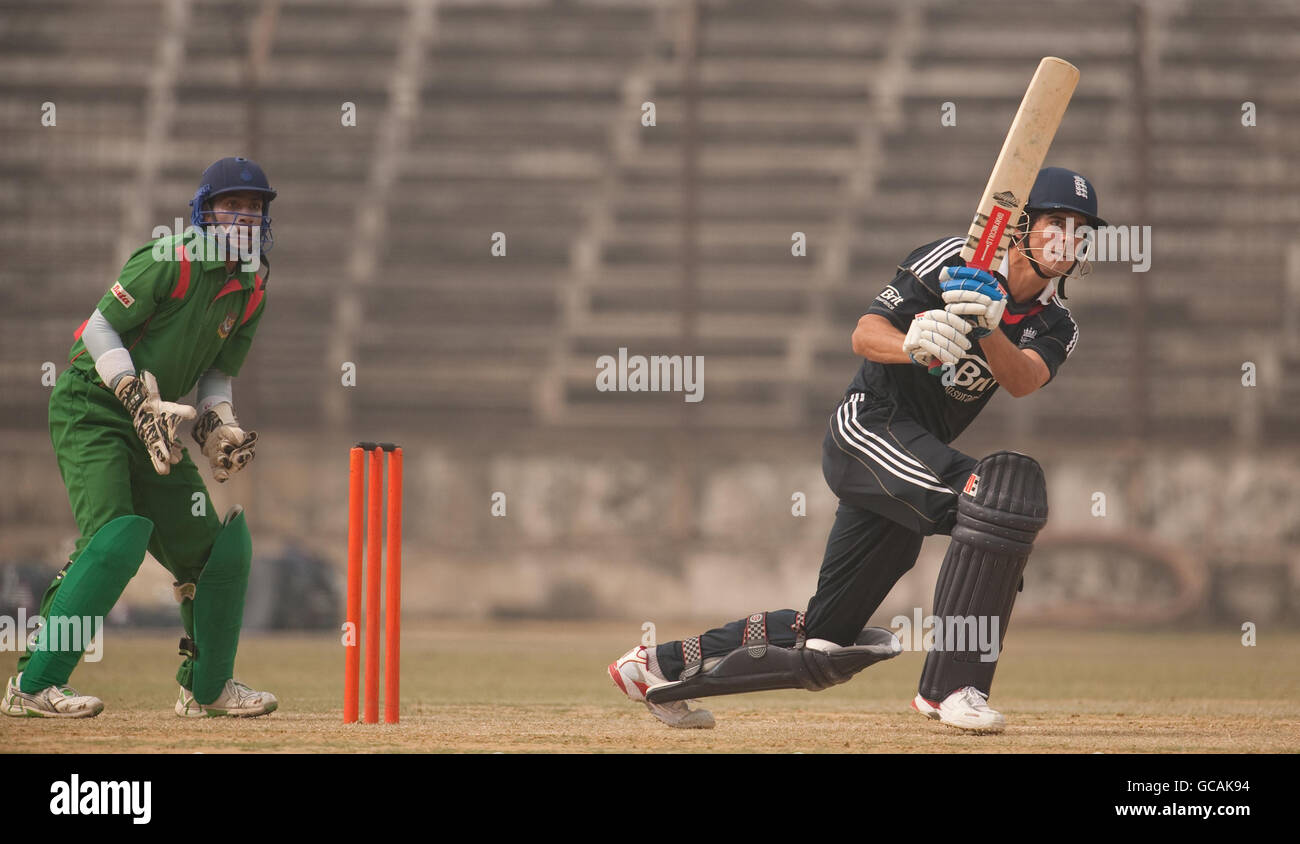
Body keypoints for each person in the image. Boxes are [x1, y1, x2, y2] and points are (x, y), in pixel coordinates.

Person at [609, 167, 1104, 734]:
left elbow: (1021, 380)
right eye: (1055, 223)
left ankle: (657, 668)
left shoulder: (1056, 322)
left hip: (916, 458)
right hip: (869, 427)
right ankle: (951, 689)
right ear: (1019, 227)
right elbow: (865, 333)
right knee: (997, 501)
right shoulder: (952, 259)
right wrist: (911, 343)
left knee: (825, 641)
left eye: (1080, 229)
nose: (1068, 238)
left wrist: (989, 327)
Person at [3, 157, 279, 718]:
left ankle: (207, 688)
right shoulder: (170, 258)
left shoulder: (250, 289)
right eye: (233, 206)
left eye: (254, 208)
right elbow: (99, 326)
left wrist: (215, 422)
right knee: (115, 539)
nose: (245, 218)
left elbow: (215, 375)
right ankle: (33, 686)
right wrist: (131, 394)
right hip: (94, 405)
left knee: (217, 550)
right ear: (204, 212)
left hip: (156, 424)